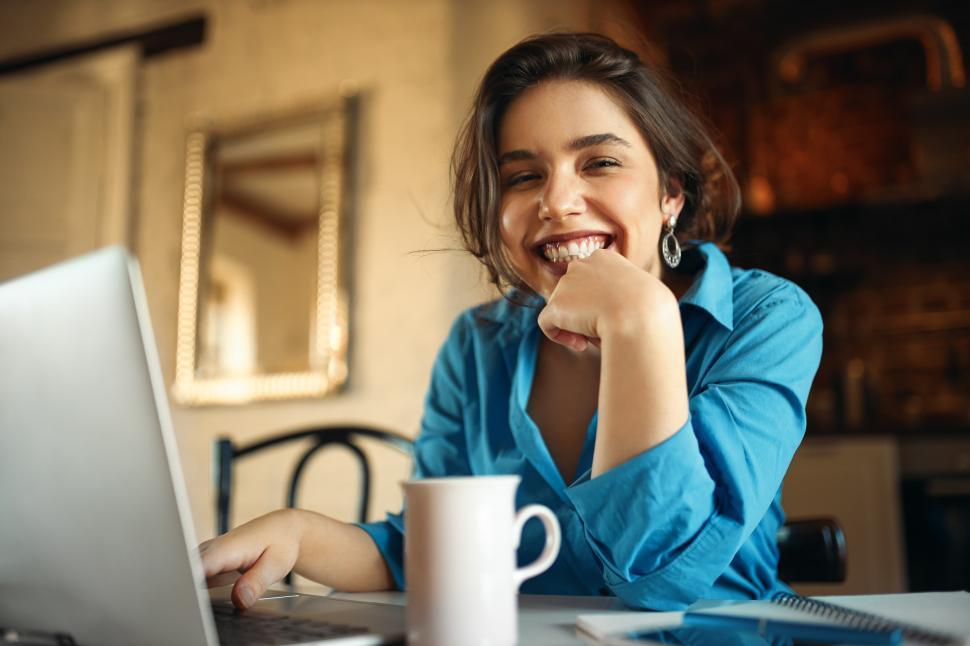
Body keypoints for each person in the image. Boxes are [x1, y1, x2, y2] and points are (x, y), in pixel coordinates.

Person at [200, 32, 822, 612]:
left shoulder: (766, 319)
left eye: (600, 162)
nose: (555, 201)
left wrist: (643, 322)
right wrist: (299, 532)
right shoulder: (476, 346)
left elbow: (661, 578)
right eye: (523, 176)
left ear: (670, 194)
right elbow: (434, 552)